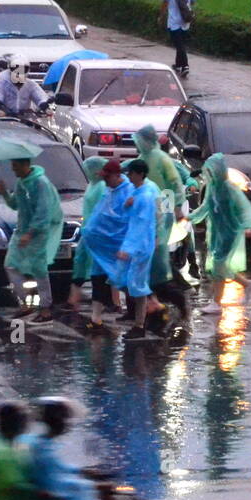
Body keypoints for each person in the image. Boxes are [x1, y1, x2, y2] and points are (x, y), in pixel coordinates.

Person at [20, 397, 105, 500]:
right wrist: (90, 484)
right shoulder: (40, 447)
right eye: (65, 419)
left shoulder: (40, 442)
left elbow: (58, 469)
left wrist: (83, 472)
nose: (68, 424)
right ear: (57, 421)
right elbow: (51, 480)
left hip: (48, 496)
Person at [133, 124, 190, 320]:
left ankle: (173, 292)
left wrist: (177, 208)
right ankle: (154, 300)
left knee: (156, 256)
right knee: (152, 258)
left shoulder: (162, 159)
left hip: (161, 212)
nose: (137, 143)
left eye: (140, 140)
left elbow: (175, 183)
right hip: (148, 212)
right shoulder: (143, 159)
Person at [0, 156, 64, 323]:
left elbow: (43, 212)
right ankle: (25, 304)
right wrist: (5, 193)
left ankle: (45, 308)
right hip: (22, 231)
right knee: (10, 264)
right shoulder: (21, 183)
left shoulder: (41, 184)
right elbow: (15, 204)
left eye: (15, 166)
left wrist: (31, 233)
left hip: (38, 233)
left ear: (25, 165)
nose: (13, 170)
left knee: (39, 269)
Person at [189, 152, 251, 314]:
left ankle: (217, 302)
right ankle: (245, 285)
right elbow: (205, 207)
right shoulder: (212, 188)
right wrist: (189, 218)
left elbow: (244, 208)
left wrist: (247, 226)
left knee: (219, 265)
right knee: (219, 266)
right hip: (217, 232)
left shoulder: (229, 188)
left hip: (230, 232)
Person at [80, 159, 136, 328]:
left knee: (124, 281)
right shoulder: (109, 191)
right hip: (101, 246)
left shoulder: (128, 192)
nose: (104, 181)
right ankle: (96, 318)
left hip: (118, 247)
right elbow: (100, 214)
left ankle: (143, 314)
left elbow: (126, 220)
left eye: (107, 177)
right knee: (97, 279)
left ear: (117, 175)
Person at [67, 156, 118, 313]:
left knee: (103, 267)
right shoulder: (92, 185)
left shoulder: (101, 187)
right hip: (89, 231)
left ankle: (113, 303)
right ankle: (75, 297)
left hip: (98, 233)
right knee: (83, 262)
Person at [117, 159, 160, 341]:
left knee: (138, 286)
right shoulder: (140, 193)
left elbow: (140, 226)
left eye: (131, 173)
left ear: (140, 174)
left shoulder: (144, 196)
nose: (129, 176)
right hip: (140, 245)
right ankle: (139, 322)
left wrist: (129, 248)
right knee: (136, 284)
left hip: (141, 247)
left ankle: (139, 325)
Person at [0, 54, 49, 118]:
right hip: (2, 120)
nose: (18, 71)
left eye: (22, 69)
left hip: (25, 119)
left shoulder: (30, 84)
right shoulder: (0, 81)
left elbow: (39, 96)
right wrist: (0, 108)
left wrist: (45, 107)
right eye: (15, 68)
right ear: (10, 69)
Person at [160, 0, 196, 78]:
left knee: (179, 44)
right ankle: (178, 65)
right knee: (180, 43)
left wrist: (161, 15)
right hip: (185, 20)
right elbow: (193, 1)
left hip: (174, 20)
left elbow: (165, 2)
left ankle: (185, 66)